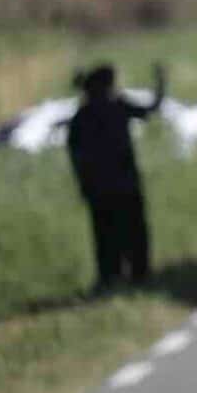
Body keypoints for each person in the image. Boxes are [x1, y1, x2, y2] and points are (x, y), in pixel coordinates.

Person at [67, 62, 166, 291]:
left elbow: (76, 157)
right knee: (134, 232)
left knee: (105, 236)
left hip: (99, 189)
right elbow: (152, 108)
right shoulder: (116, 107)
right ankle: (137, 276)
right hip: (124, 184)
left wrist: (83, 185)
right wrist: (161, 84)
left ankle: (111, 278)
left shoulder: (81, 118)